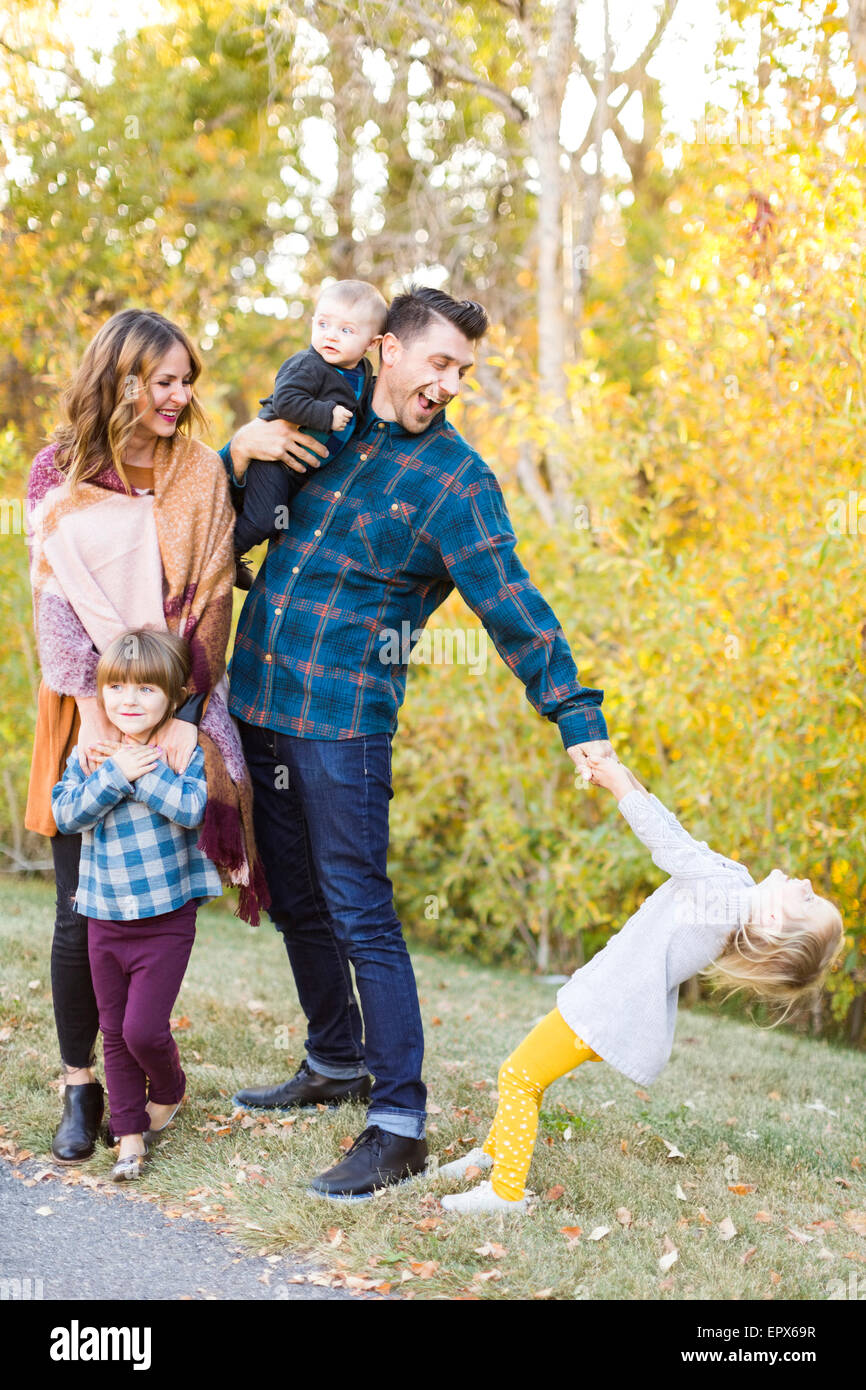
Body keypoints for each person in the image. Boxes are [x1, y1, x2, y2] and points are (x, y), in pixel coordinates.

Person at [220, 285, 612, 1200]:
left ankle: (398, 1124)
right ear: (387, 349)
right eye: (439, 362)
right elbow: (223, 502)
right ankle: (333, 1060)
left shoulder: (456, 482)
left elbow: (517, 610)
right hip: (260, 697)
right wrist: (237, 447)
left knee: (360, 910)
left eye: (463, 372)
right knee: (297, 896)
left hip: (345, 723)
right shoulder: (325, 424)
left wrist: (577, 721)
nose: (450, 384)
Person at [25, 309, 268, 1166]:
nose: (179, 395)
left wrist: (177, 719)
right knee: (73, 908)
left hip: (178, 704)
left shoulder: (199, 472)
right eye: (162, 380)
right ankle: (78, 1087)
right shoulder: (58, 471)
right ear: (121, 380)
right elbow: (54, 603)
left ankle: (142, 1071)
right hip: (84, 705)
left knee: (154, 889)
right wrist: (95, 717)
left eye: (185, 381)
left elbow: (210, 593)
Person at [438, 749, 844, 1214]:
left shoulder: (725, 904)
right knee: (526, 1071)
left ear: (773, 923)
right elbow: (679, 837)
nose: (808, 884)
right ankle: (489, 1155)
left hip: (606, 1007)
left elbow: (665, 845)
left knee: (519, 1076)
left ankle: (504, 1191)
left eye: (809, 902)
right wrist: (623, 773)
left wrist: (616, 784)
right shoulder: (735, 890)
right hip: (606, 999)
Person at [51, 631, 220, 1181]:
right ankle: (128, 1138)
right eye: (117, 687)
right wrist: (113, 772)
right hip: (104, 915)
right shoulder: (89, 755)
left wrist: (139, 772)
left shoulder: (182, 752)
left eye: (146, 688)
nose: (129, 699)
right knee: (114, 1030)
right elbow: (67, 815)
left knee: (144, 1029)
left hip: (167, 917)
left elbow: (193, 809)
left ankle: (169, 1088)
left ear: (171, 698)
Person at [232, 280, 386, 578]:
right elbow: (286, 401)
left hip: (302, 471)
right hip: (273, 459)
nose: (331, 336)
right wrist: (326, 415)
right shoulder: (307, 365)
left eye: (346, 330)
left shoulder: (362, 372)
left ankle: (234, 550)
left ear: (372, 344)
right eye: (324, 324)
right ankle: (222, 555)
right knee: (266, 520)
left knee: (284, 522)